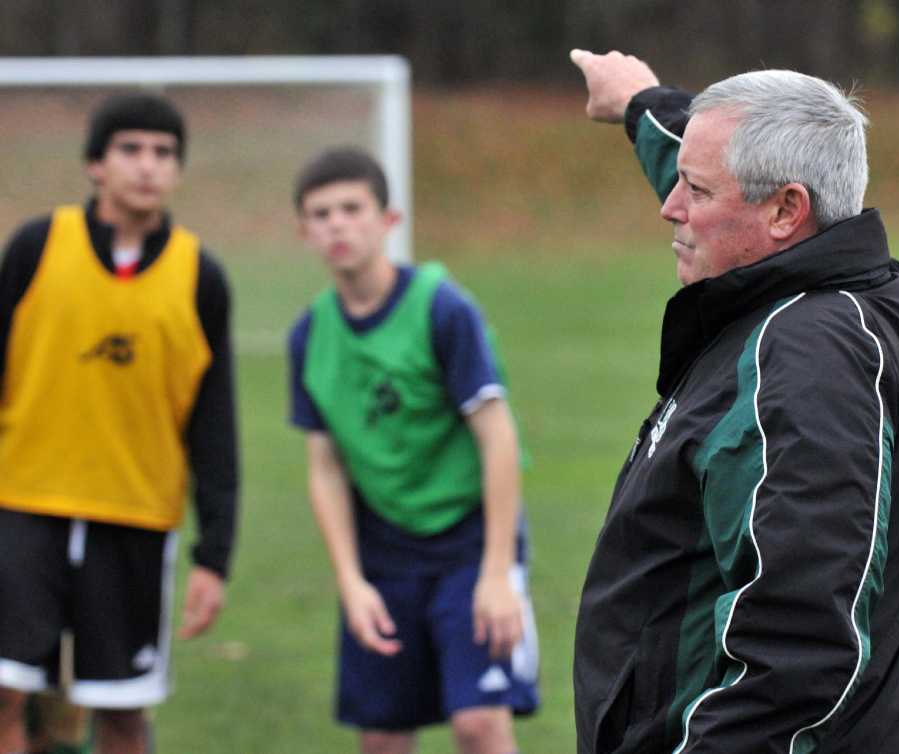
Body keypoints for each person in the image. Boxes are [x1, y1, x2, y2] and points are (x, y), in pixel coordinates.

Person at [569, 50, 899, 753]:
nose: (670, 207)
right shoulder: (837, 267)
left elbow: (800, 649)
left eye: (695, 190)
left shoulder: (809, 361)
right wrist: (639, 103)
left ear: (785, 210)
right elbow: (724, 172)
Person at [0, 92, 239, 754]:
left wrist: (214, 554)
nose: (148, 166)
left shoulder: (200, 276)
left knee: (124, 712)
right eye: (130, 149)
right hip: (22, 507)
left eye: (164, 153)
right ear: (95, 165)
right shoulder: (36, 247)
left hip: (134, 520)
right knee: (6, 692)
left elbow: (213, 425)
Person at [287, 147, 539, 754]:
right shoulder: (309, 334)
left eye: (352, 209)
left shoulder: (442, 308)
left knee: (478, 723)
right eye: (321, 215)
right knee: (381, 735)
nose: (337, 225)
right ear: (304, 232)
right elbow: (325, 467)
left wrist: (498, 572)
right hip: (383, 551)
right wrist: (350, 581)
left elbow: (498, 437)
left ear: (388, 221)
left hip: (468, 541)